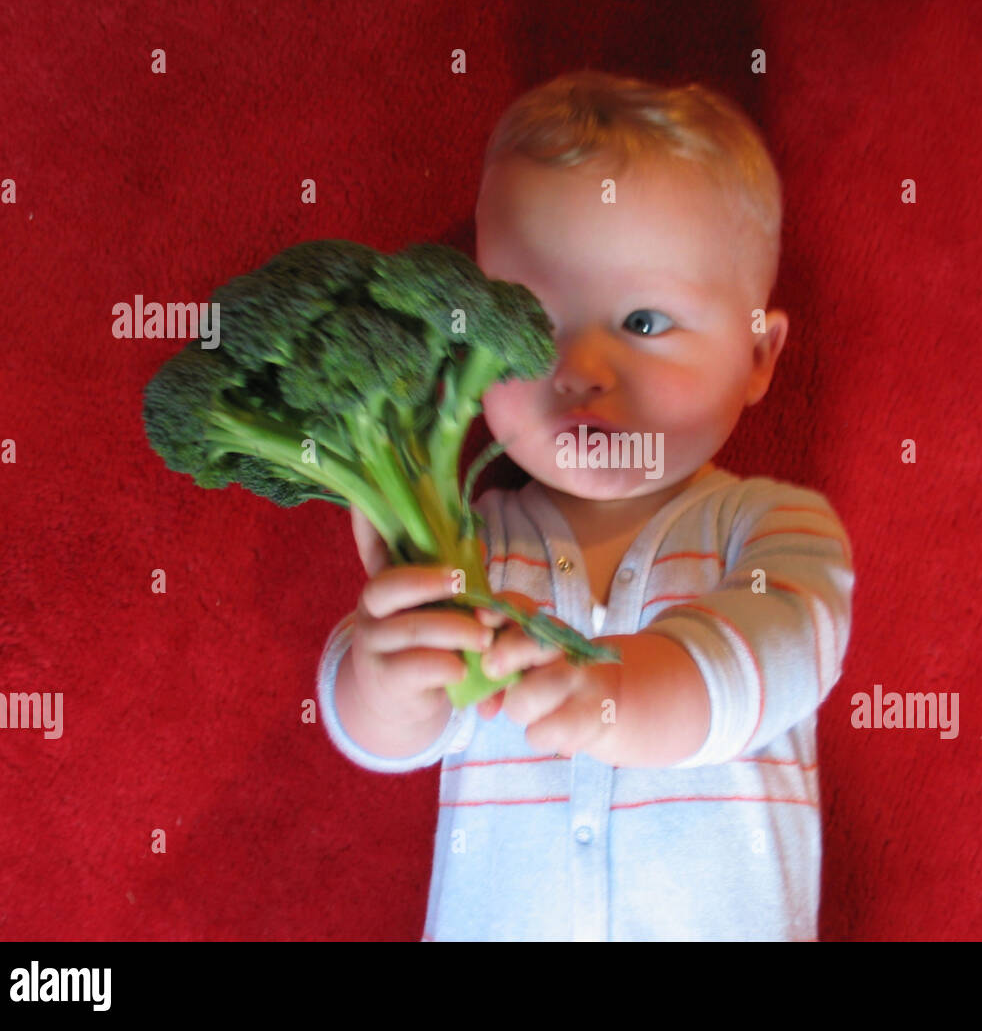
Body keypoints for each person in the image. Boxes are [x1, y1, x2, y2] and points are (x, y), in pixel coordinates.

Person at [316, 70, 855, 941]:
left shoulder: (775, 528)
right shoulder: (469, 545)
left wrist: (614, 695)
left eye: (644, 321)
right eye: (530, 323)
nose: (581, 369)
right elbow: (389, 740)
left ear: (759, 355)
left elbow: (780, 653)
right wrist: (382, 677)